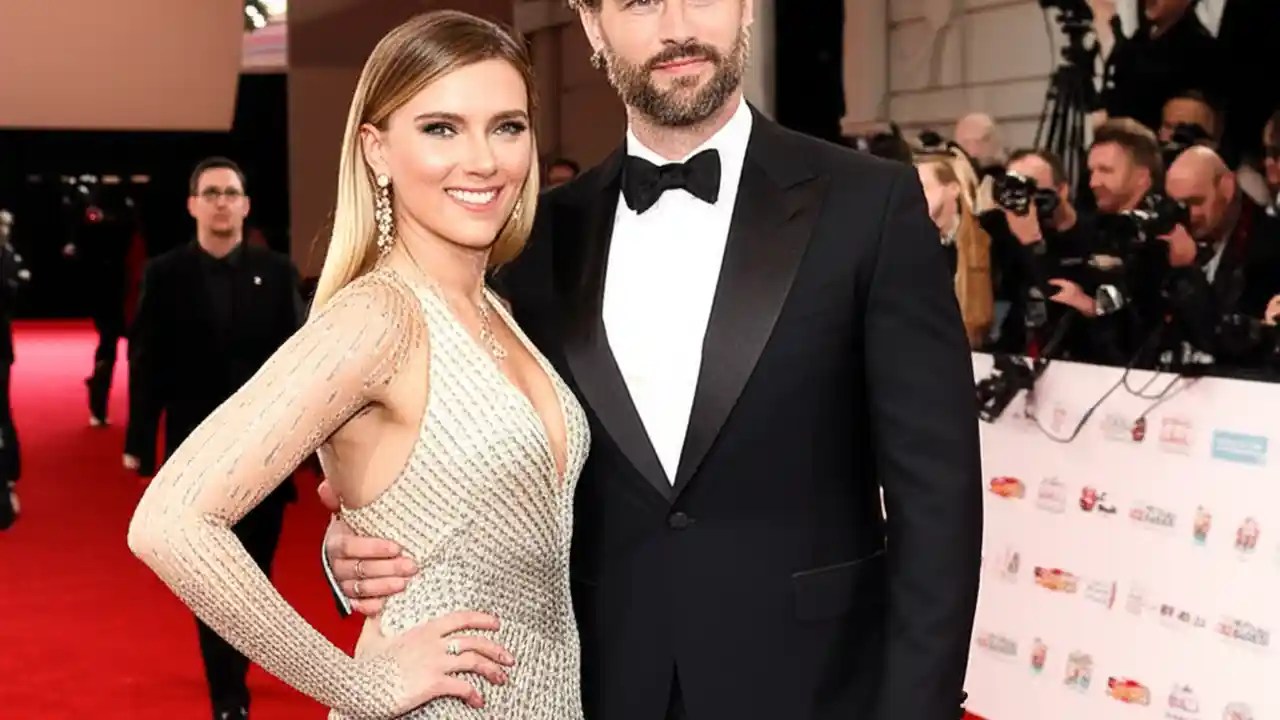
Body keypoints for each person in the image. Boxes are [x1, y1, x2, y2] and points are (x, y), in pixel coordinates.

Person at [326, 1, 983, 718]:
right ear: (591, 25)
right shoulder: (533, 242)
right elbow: (470, 458)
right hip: (597, 684)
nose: (675, 27)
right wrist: (359, 537)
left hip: (817, 686)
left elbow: (937, 500)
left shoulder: (868, 206)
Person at [129, 12, 580, 719]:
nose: (484, 159)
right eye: (440, 128)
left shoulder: (501, 311)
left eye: (507, 126)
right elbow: (170, 521)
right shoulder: (377, 318)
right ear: (375, 148)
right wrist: (355, 685)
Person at [123, 157, 309, 719]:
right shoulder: (165, 273)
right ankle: (228, 695)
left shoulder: (277, 273)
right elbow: (146, 361)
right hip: (193, 451)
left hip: (265, 452)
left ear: (246, 204)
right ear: (193, 204)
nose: (222, 201)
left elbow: (301, 366)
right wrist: (138, 437)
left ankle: (237, 669)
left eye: (232, 192)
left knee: (255, 572)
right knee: (209, 575)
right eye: (211, 192)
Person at [914, 145, 995, 348]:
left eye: (924, 187)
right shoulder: (906, 243)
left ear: (953, 189)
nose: (914, 196)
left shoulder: (986, 239)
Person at [0, 209, 28, 529]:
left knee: (2, 415)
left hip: (0, 350)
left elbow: (12, 295)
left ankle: (9, 479)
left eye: (7, 225)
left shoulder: (10, 258)